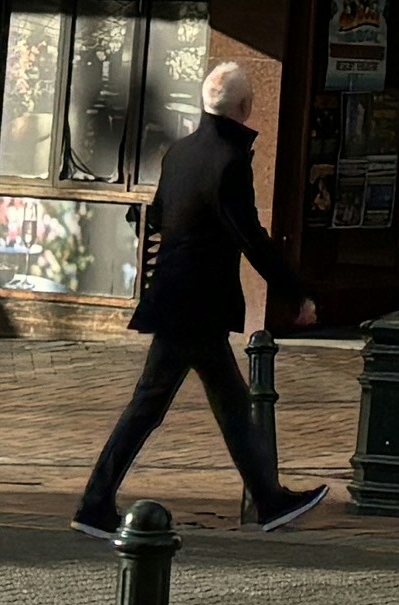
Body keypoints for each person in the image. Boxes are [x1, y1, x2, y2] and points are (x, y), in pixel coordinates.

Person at [71, 58, 326, 538]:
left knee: (222, 405)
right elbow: (250, 237)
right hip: (196, 304)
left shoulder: (180, 153)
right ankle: (93, 503)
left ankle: (269, 500)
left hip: (177, 297)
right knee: (153, 405)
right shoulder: (229, 161)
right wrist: (298, 292)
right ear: (246, 108)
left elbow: (158, 217)